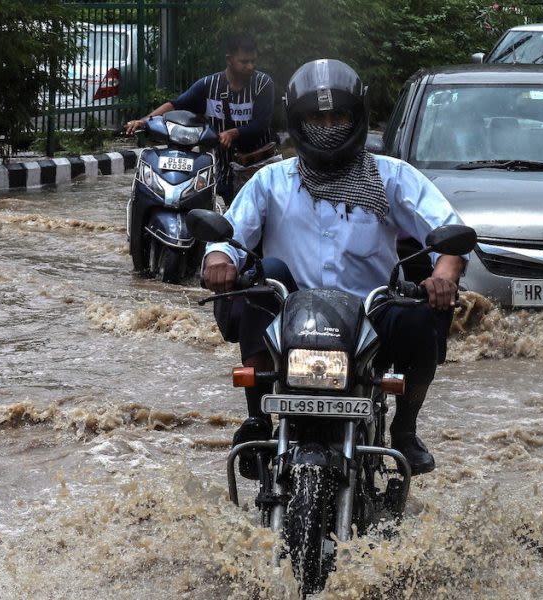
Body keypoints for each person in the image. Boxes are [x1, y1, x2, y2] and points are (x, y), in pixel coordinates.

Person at [201, 58, 467, 478]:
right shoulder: (271, 182)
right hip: (289, 317)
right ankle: (257, 419)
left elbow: (447, 230)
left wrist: (444, 275)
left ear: (356, 117)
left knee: (418, 318)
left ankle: (405, 427)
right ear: (299, 122)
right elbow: (229, 237)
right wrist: (219, 260)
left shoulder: (391, 177)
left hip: (368, 319)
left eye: (338, 115)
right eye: (317, 117)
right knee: (260, 279)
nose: (328, 126)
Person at [124, 33, 276, 203]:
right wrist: (144, 121)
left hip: (260, 168)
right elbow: (176, 105)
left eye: (253, 61)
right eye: (244, 62)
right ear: (229, 59)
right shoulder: (208, 86)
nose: (250, 66)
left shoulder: (263, 84)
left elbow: (261, 124)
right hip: (227, 171)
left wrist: (232, 134)